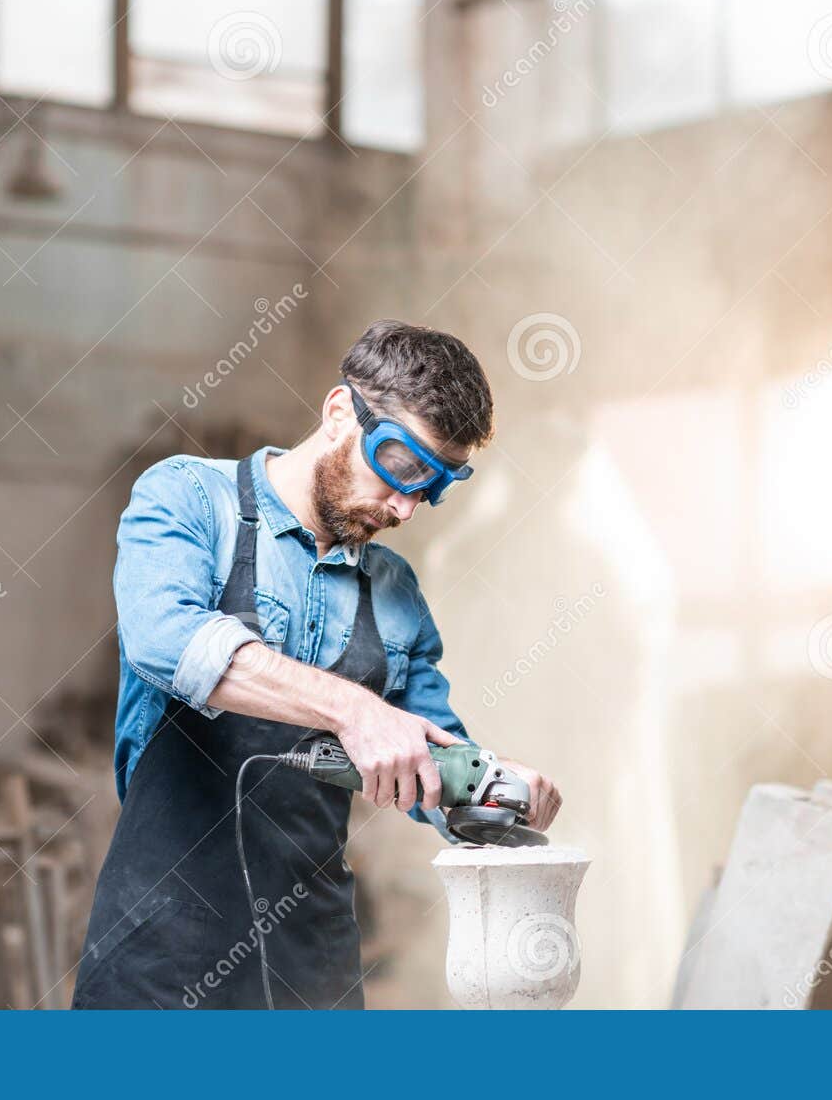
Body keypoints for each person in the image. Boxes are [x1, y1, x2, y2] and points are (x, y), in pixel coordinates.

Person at [74, 319, 560, 1009]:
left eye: (434, 487)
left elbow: (433, 764)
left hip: (314, 965)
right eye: (402, 466)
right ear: (340, 413)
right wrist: (356, 709)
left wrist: (498, 791)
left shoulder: (395, 596)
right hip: (161, 957)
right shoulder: (189, 499)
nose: (405, 506)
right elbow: (166, 637)